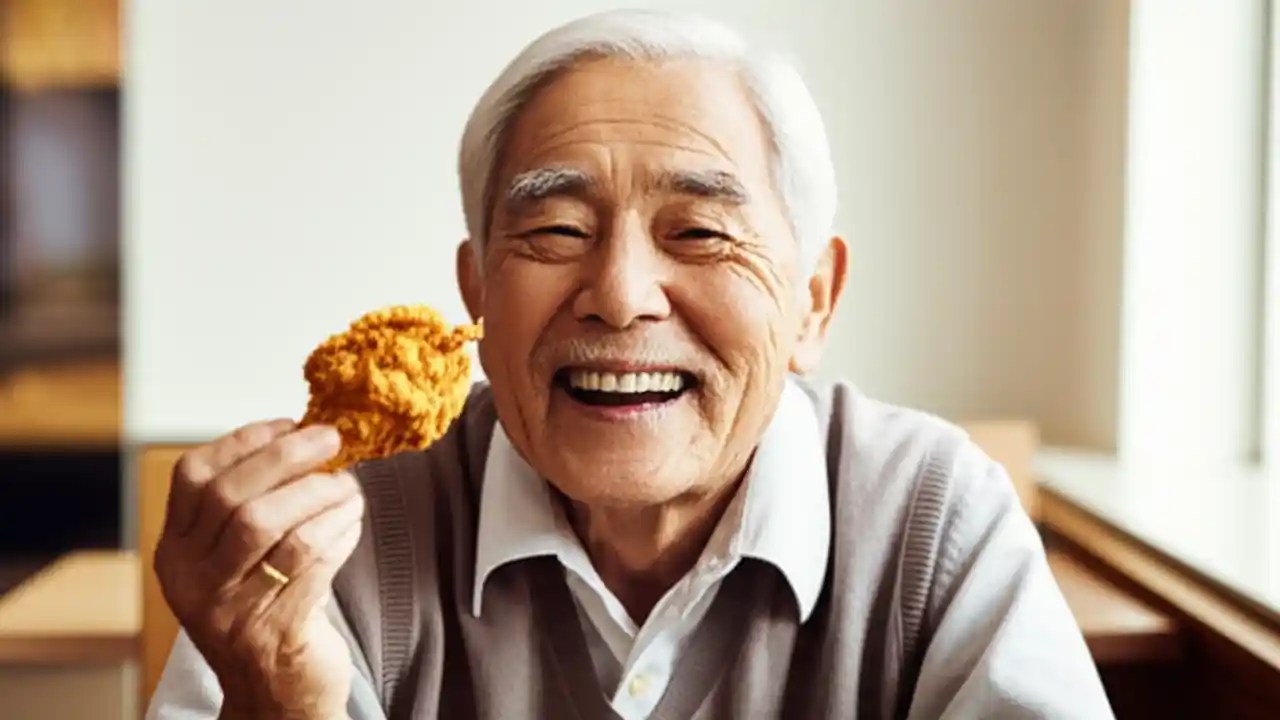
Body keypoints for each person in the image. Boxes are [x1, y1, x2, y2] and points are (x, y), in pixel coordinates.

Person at [147, 9, 1114, 720]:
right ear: (477, 290)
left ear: (814, 299)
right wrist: (274, 696)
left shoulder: (933, 522)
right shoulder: (331, 538)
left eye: (697, 231)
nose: (620, 293)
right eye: (557, 229)